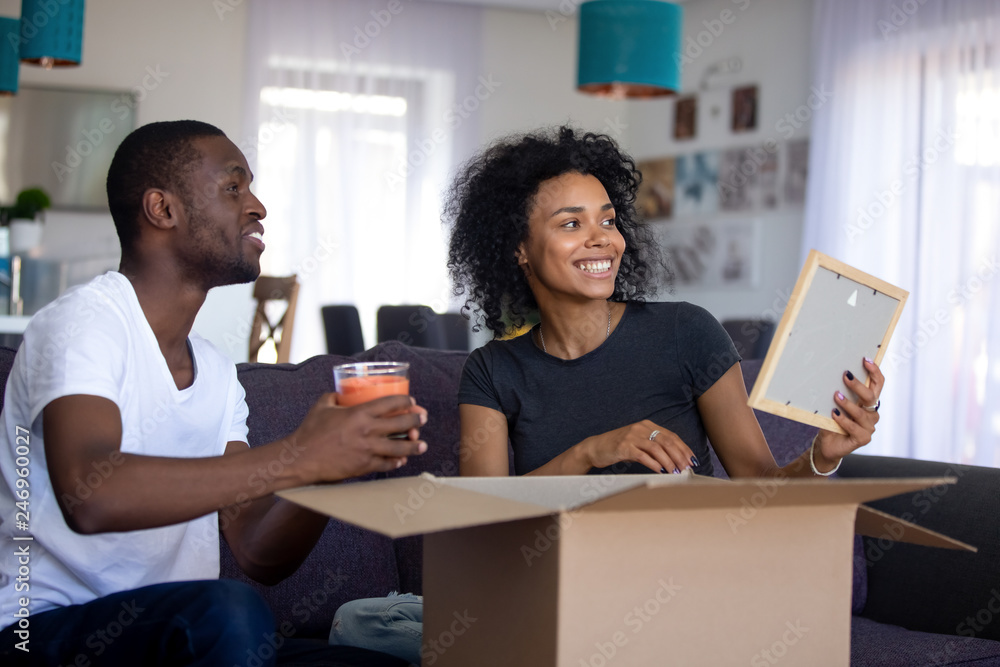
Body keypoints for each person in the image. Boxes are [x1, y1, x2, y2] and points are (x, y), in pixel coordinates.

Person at [330, 126, 884, 662]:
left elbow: (762, 492)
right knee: (360, 620)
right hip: (551, 594)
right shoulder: (492, 372)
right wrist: (591, 452)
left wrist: (822, 457)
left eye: (608, 220)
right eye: (571, 223)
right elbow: (482, 527)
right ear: (518, 248)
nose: (602, 239)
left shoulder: (687, 333)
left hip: (678, 592)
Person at [0, 120, 426, 667]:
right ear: (163, 209)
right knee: (228, 612)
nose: (258, 207)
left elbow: (256, 549)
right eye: (234, 187)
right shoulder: (85, 323)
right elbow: (91, 493)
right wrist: (298, 454)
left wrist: (329, 469)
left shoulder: (219, 374)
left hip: (180, 639)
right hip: (41, 632)